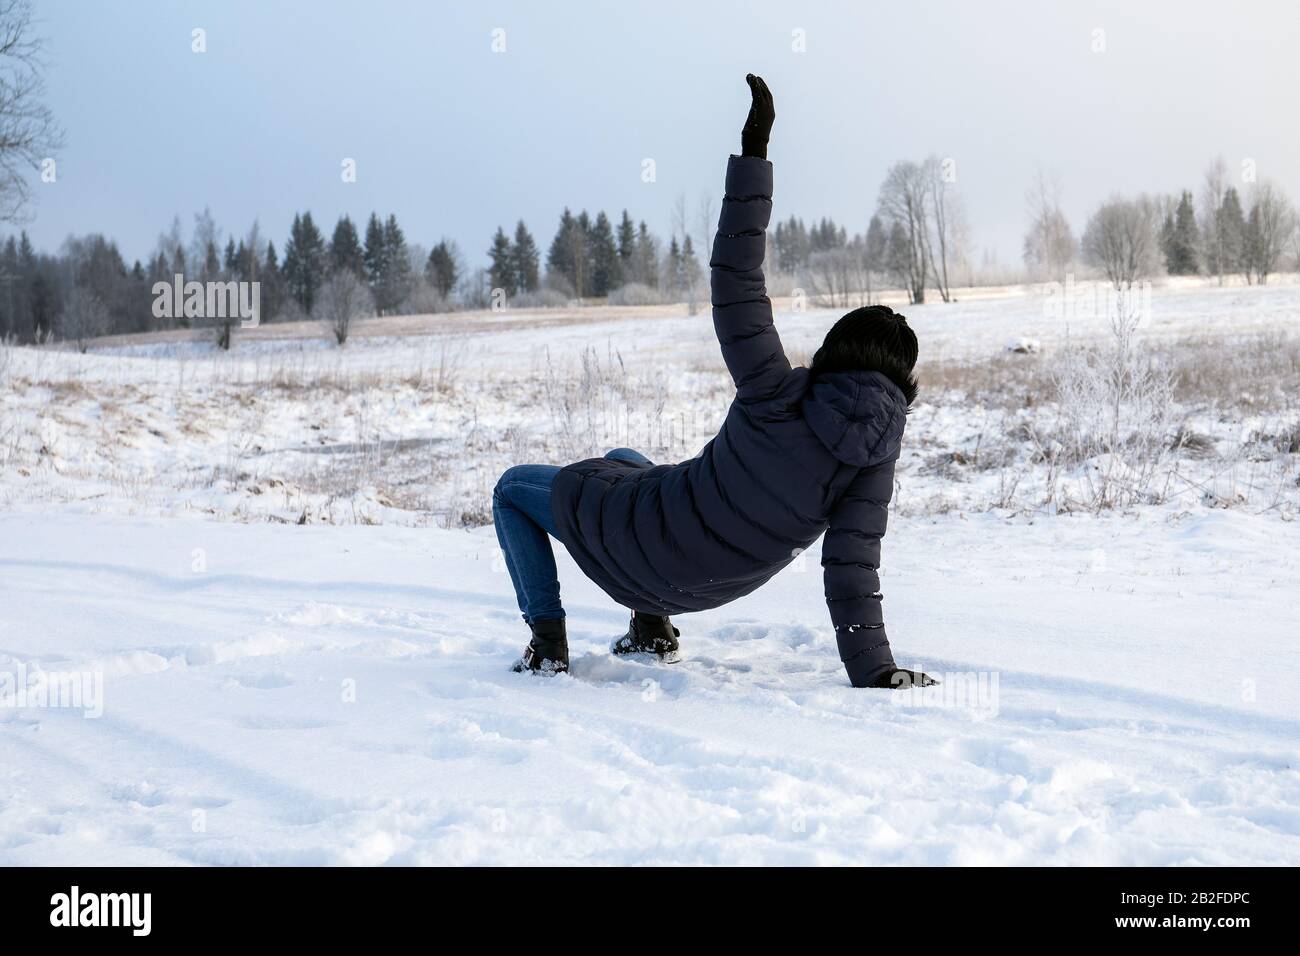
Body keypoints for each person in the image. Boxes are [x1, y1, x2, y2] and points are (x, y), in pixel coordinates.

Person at [492, 74, 934, 689]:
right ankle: (651, 628)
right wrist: (876, 670)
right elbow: (852, 569)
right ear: (899, 382)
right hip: (701, 589)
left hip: (640, 552)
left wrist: (755, 154)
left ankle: (547, 645)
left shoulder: (777, 393)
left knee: (512, 488)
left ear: (837, 351)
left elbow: (736, 279)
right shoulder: (872, 463)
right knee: (625, 460)